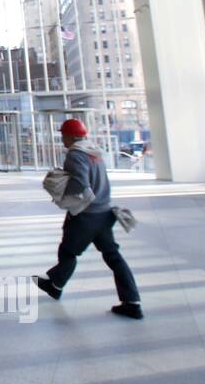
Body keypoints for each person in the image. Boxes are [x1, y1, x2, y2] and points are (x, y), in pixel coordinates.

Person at [35, 119, 143, 319]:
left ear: (69, 136)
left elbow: (80, 184)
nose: (62, 140)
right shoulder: (95, 152)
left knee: (68, 251)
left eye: (63, 136)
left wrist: (63, 195)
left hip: (87, 215)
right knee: (113, 257)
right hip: (104, 212)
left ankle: (56, 284)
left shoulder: (76, 155)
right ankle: (132, 301)